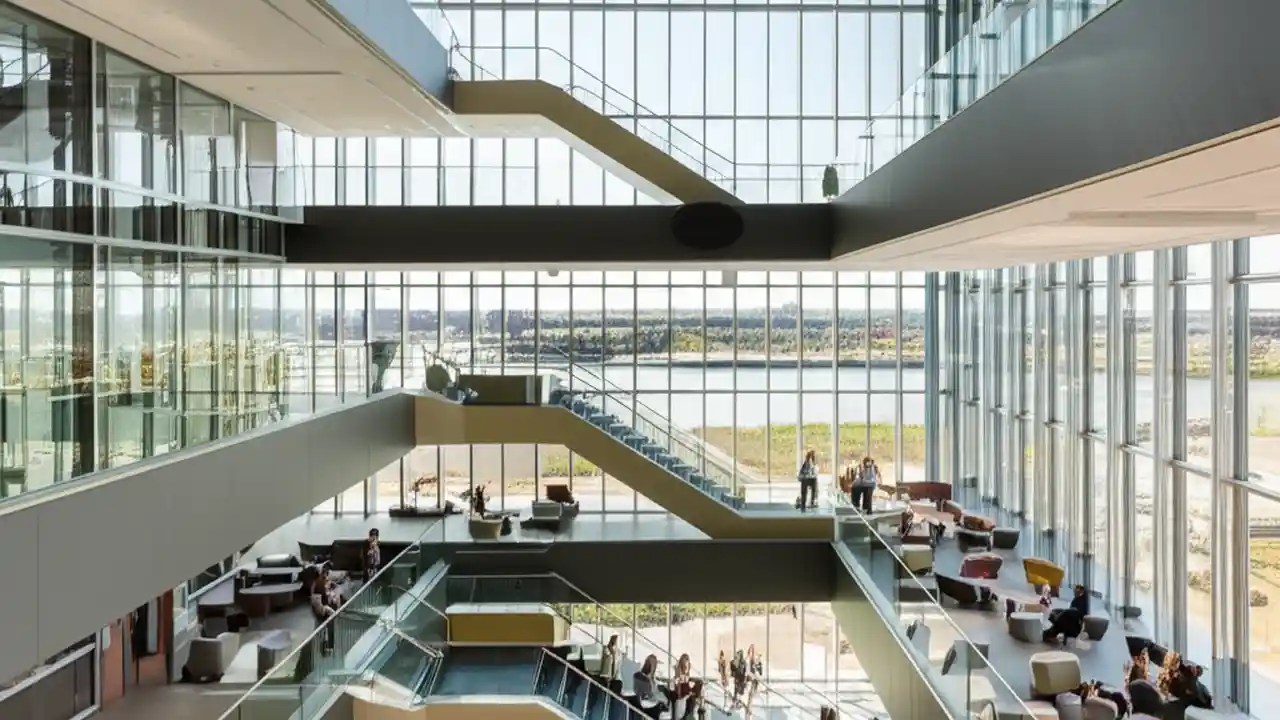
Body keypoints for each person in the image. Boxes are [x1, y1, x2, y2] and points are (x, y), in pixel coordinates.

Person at [633, 654, 673, 719]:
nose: (654, 666)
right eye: (653, 664)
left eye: (655, 664)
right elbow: (648, 693)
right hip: (648, 702)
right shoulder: (642, 676)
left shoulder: (652, 679)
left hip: (654, 702)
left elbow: (656, 692)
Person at [674, 653, 705, 720]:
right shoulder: (679, 670)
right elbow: (678, 683)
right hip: (682, 690)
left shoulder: (686, 670)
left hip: (685, 689)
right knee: (691, 691)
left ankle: (696, 701)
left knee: (698, 684)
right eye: (686, 660)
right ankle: (695, 701)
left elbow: (687, 679)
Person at [744, 644, 763, 718]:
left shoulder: (752, 660)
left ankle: (749, 711)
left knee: (751, 694)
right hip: (750, 678)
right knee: (750, 694)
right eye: (751, 651)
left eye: (752, 651)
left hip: (752, 678)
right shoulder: (747, 660)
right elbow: (747, 670)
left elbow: (754, 668)